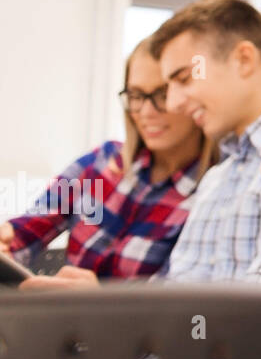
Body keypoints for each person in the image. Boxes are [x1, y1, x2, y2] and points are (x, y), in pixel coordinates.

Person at [20, 0, 261, 289]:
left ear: (243, 60)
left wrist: (105, 314)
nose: (173, 103)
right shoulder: (218, 180)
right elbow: (173, 297)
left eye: (184, 79)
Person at [2, 38, 217, 283]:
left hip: (130, 323)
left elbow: (181, 306)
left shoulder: (213, 195)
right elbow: (33, 223)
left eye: (162, 94)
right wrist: (8, 239)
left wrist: (99, 304)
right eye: (136, 95)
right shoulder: (100, 162)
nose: (146, 112)